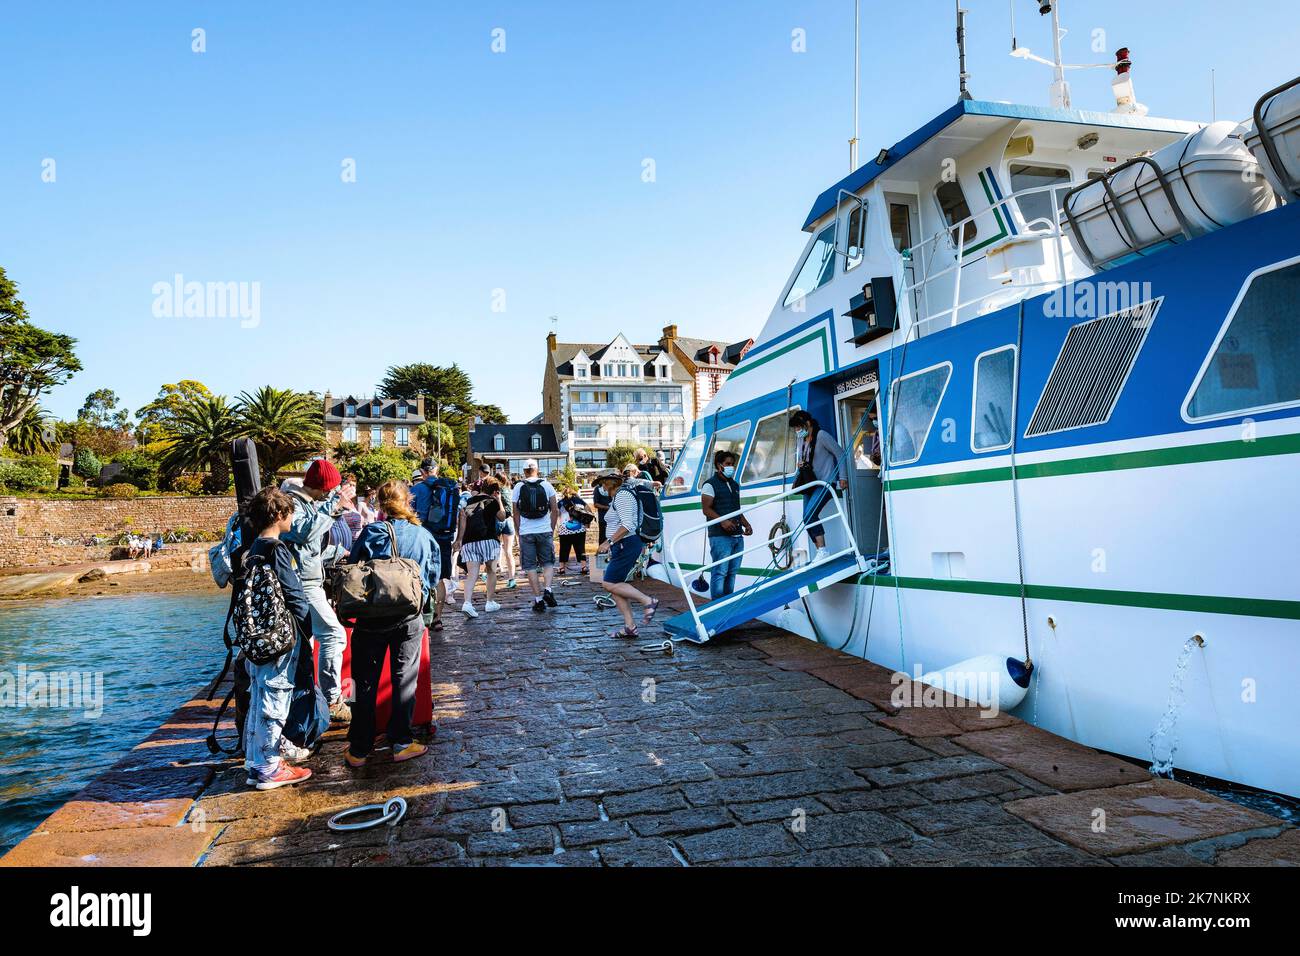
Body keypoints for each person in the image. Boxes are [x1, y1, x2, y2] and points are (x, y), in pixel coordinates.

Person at [342, 479, 437, 768]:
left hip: (370, 617)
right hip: (407, 617)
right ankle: (401, 742)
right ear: (407, 501)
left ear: (380, 504)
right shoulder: (422, 535)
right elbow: (432, 576)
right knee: (403, 678)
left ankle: (359, 747)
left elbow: (354, 570)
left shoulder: (370, 532)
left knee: (363, 681)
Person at [241, 487, 314, 790]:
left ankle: (255, 761)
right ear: (281, 515)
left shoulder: (252, 548)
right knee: (276, 695)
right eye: (291, 514)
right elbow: (293, 592)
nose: (293, 519)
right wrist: (307, 628)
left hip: (257, 636)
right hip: (280, 636)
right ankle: (269, 766)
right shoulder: (277, 550)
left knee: (258, 696)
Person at [281, 458, 351, 723]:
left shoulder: (307, 503)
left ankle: (310, 699)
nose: (331, 494)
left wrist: (337, 553)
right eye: (330, 490)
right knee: (333, 634)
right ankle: (332, 699)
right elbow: (301, 534)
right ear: (322, 488)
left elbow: (309, 551)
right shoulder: (293, 504)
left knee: (306, 644)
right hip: (302, 584)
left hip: (309, 579)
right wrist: (334, 507)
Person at [595, 465, 659, 638]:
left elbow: (627, 525)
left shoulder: (622, 496)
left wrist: (608, 542)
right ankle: (630, 626)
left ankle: (647, 601)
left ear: (609, 482)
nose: (601, 487)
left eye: (602, 483)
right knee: (615, 586)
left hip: (626, 543)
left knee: (608, 584)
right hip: (623, 544)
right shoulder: (618, 496)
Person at [789, 410, 847, 562]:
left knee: (810, 514)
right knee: (806, 518)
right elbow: (805, 462)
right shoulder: (801, 440)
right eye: (795, 429)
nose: (797, 431)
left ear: (807, 423)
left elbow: (840, 453)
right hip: (810, 483)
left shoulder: (821, 436)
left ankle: (823, 550)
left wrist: (843, 477)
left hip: (825, 483)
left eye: (798, 427)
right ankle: (820, 552)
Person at [700, 450, 751, 600]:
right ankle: (717, 607)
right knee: (720, 572)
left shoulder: (734, 485)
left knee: (732, 572)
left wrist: (747, 524)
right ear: (719, 465)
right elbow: (706, 509)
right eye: (728, 464)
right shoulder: (709, 484)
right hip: (719, 536)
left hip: (737, 535)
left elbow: (737, 509)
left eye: (732, 464)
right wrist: (722, 520)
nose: (731, 467)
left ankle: (727, 604)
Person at [512, 459, 559, 613]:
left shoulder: (519, 486)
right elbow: (555, 510)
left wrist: (519, 531)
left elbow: (515, 512)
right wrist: (551, 529)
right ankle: (548, 589)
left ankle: (538, 600)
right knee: (548, 563)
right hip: (544, 530)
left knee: (530, 566)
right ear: (537, 470)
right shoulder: (547, 485)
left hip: (526, 532)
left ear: (524, 471)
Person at [454, 476, 504, 618]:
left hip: (470, 541)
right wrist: (499, 500)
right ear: (494, 491)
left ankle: (467, 603)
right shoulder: (492, 501)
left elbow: (462, 520)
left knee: (472, 574)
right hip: (489, 540)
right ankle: (489, 602)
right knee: (491, 571)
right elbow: (502, 516)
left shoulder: (469, 502)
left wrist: (459, 539)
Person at [556, 486, 590, 575]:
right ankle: (583, 567)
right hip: (580, 529)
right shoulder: (580, 501)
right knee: (581, 548)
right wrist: (587, 523)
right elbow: (589, 511)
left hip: (564, 530)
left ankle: (561, 568)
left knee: (564, 549)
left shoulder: (561, 502)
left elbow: (556, 514)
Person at [495, 471, 518, 590]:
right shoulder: (510, 491)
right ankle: (511, 578)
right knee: (509, 552)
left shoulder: (497, 491)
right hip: (509, 521)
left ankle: (489, 574)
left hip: (498, 520)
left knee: (494, 549)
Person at [591, 476, 612, 545]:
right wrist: (606, 507)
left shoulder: (611, 488)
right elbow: (596, 504)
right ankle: (602, 552)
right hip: (603, 517)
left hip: (612, 517)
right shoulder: (597, 489)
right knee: (602, 535)